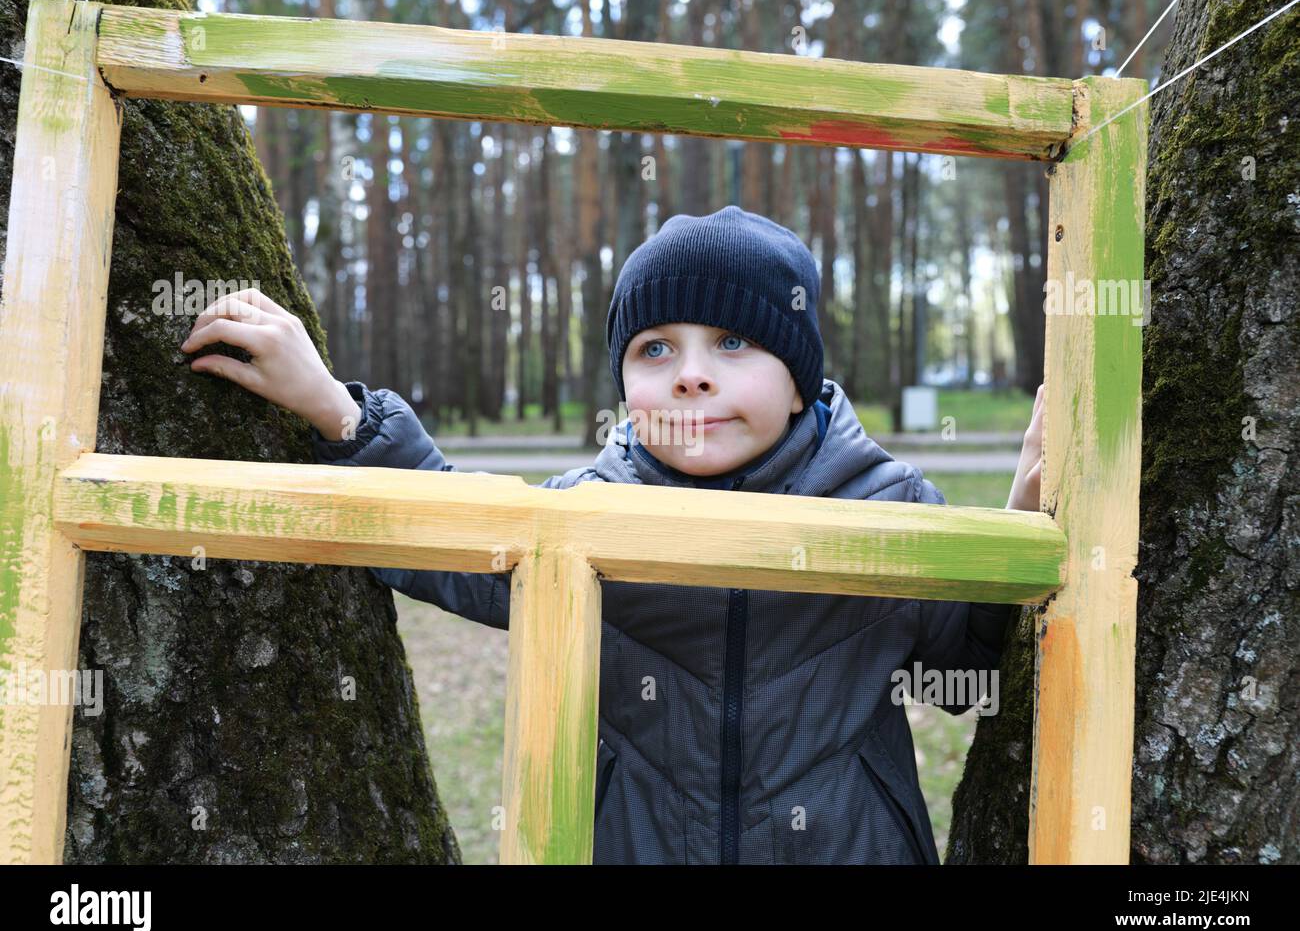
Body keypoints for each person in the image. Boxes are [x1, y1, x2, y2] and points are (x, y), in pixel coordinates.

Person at [180, 204, 1045, 864]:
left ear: (799, 382)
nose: (693, 377)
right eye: (656, 350)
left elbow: (970, 675)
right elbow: (446, 532)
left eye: (734, 342)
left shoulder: (887, 507)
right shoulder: (584, 512)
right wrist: (332, 406)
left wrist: (1014, 534)